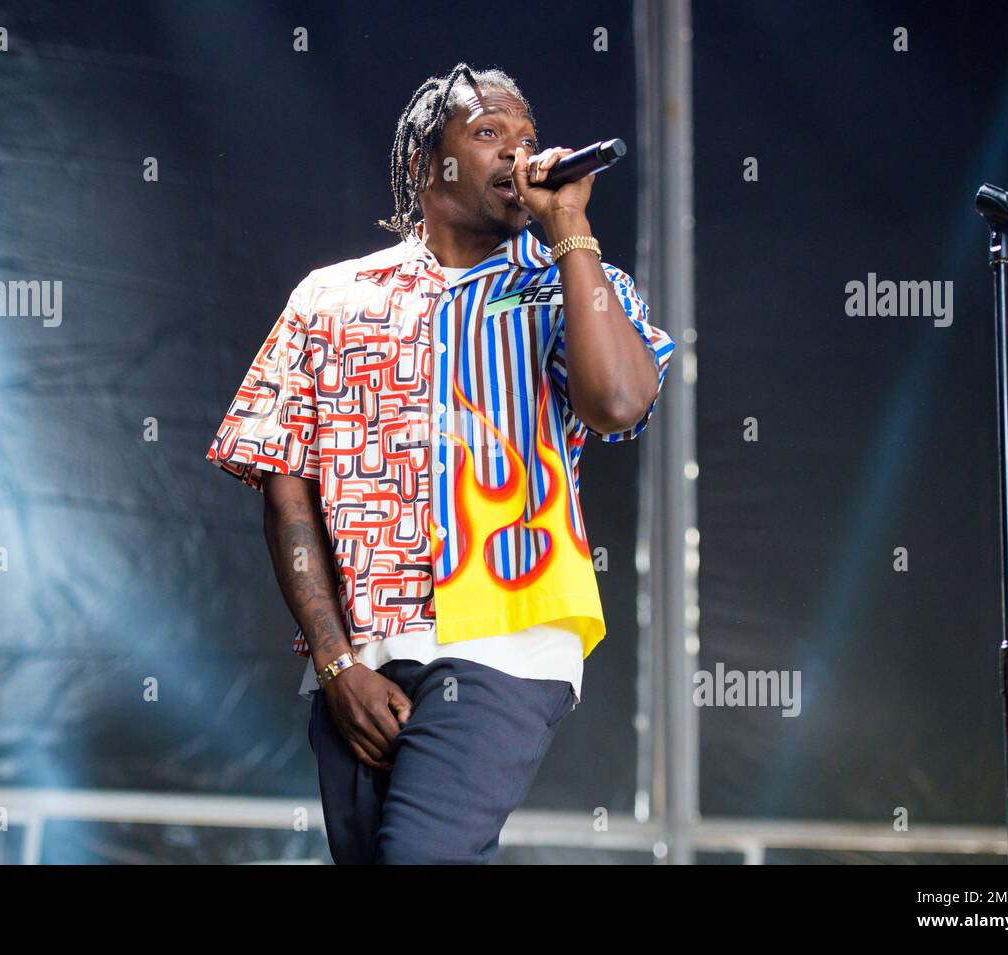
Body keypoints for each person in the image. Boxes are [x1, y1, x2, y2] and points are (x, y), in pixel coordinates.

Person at [204, 62, 674, 864]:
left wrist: (572, 236)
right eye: (489, 134)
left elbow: (621, 404)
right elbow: (288, 497)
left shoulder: (571, 282)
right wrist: (337, 661)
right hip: (364, 658)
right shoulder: (328, 300)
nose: (517, 155)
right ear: (428, 163)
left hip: (507, 639)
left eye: (527, 139)